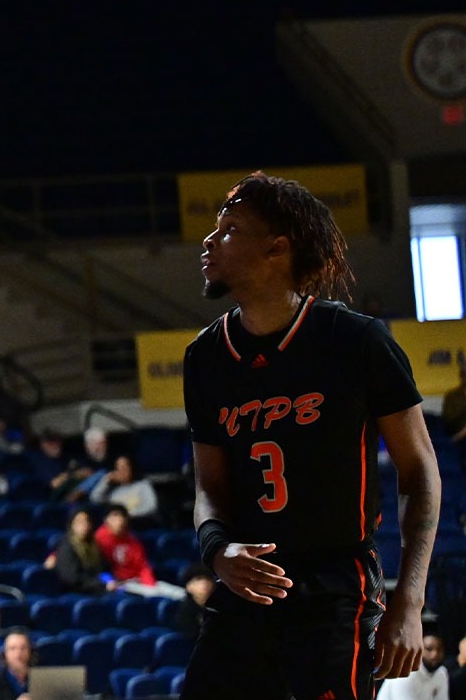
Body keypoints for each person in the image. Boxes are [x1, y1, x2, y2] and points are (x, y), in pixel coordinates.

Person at [183, 173, 438, 696]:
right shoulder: (204, 357)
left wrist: (409, 604)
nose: (210, 241)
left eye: (230, 229)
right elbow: (210, 486)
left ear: (277, 248)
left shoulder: (357, 340)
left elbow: (420, 472)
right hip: (248, 586)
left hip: (335, 584)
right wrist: (217, 551)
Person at [93, 507, 179, 598]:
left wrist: (149, 583)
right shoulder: (98, 540)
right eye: (115, 516)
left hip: (139, 580)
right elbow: (101, 569)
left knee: (179, 593)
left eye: (122, 516)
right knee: (154, 595)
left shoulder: (132, 539)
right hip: (121, 584)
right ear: (106, 520)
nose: (119, 520)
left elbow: (142, 565)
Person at [44, 508, 113, 596]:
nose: (84, 525)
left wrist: (109, 581)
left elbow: (103, 568)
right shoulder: (66, 547)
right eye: (79, 522)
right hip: (74, 592)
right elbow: (71, 578)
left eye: (86, 521)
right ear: (72, 525)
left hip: (95, 589)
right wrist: (101, 584)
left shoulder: (94, 545)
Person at [88, 455, 158, 522]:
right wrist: (106, 481)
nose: (122, 472)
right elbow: (95, 499)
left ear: (131, 468)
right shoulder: (111, 490)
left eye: (124, 468)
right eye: (118, 468)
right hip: (118, 527)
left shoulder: (142, 485)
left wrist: (126, 516)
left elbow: (151, 506)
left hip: (141, 523)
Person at [378, 634, 449, 700]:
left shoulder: (442, 673)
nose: (435, 654)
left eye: (439, 649)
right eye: (429, 649)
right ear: (420, 650)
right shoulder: (407, 670)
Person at [0, 628, 32, 700]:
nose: (18, 654)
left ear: (30, 652)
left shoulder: (40, 679)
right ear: (5, 654)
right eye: (13, 649)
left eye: (23, 648)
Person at [173, 563, 212, 638]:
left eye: (208, 579)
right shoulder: (184, 610)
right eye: (198, 579)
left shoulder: (220, 607)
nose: (204, 583)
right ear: (188, 586)